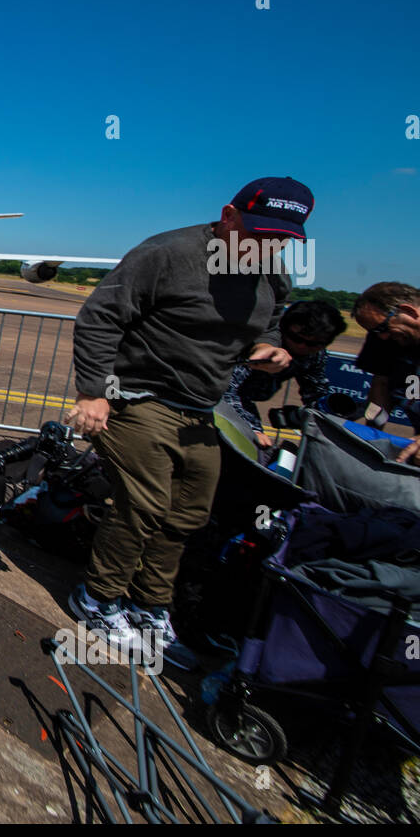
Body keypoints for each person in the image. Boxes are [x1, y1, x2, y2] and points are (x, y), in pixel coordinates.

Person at [64, 176, 311, 651]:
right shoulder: (168, 254)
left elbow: (275, 320)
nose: (268, 246)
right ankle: (98, 598)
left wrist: (271, 347)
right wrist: (93, 393)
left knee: (187, 515)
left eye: (281, 239)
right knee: (143, 505)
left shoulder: (272, 272)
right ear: (229, 215)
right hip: (138, 397)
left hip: (201, 411)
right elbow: (100, 316)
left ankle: (150, 605)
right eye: (259, 234)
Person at [352, 281, 420, 468]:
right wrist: (372, 435)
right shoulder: (385, 335)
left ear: (408, 311)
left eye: (382, 329)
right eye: (373, 332)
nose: (382, 338)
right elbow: (381, 385)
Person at [223, 300, 346, 447]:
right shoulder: (260, 341)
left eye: (314, 344)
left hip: (249, 394)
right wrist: (251, 428)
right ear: (283, 328)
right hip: (216, 393)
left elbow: (316, 393)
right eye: (296, 338)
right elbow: (227, 388)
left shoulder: (315, 356)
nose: (302, 346)